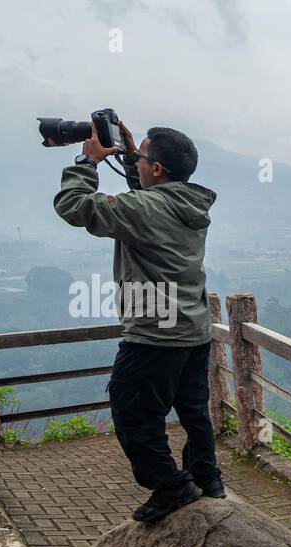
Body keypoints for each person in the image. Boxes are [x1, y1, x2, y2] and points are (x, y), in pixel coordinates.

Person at [54, 121, 224, 521]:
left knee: (132, 413)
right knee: (194, 411)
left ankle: (172, 486)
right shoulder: (190, 205)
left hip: (154, 336)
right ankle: (207, 478)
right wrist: (135, 160)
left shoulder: (146, 208)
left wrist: (87, 161)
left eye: (143, 157)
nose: (139, 161)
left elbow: (74, 206)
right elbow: (150, 201)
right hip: (193, 332)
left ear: (158, 169)